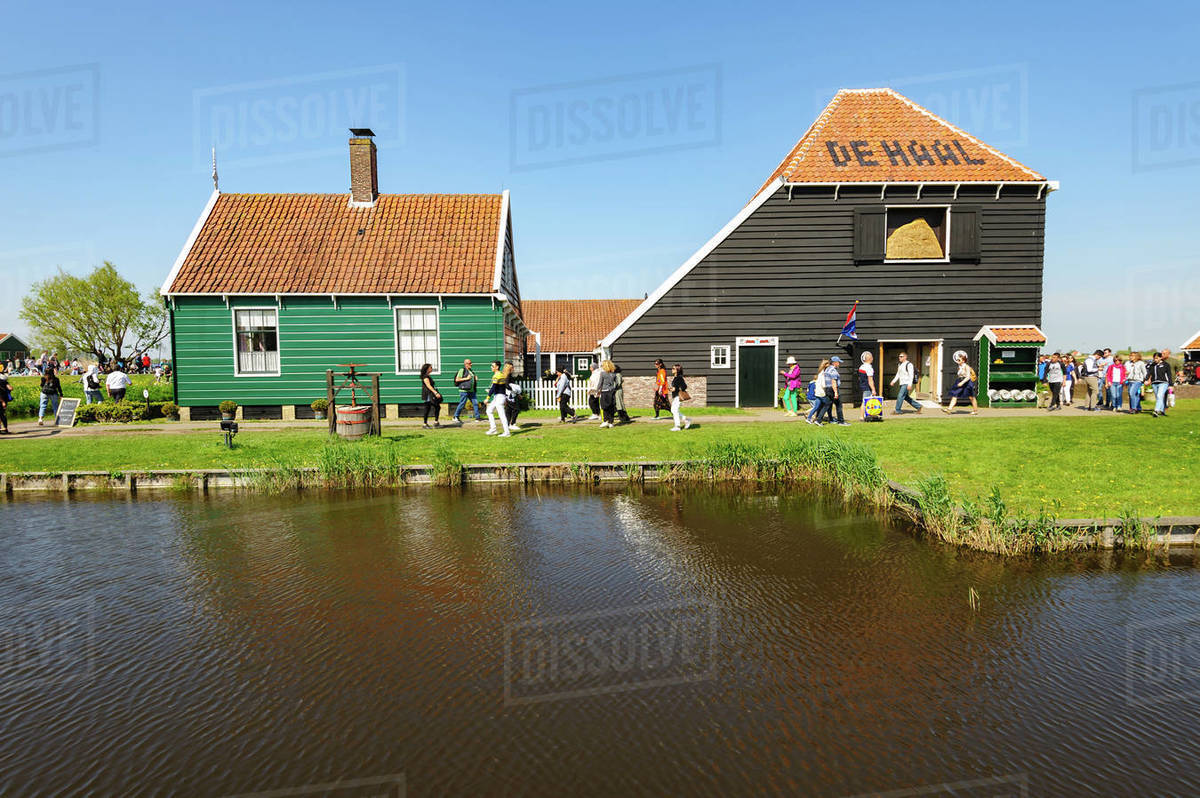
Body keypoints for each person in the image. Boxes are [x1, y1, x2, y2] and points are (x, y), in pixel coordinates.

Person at [943, 351, 978, 415]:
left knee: (971, 397)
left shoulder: (966, 367)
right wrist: (960, 381)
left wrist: (962, 382)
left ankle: (975, 411)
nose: (957, 361)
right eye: (957, 360)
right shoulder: (959, 366)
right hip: (960, 381)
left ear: (963, 360)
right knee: (955, 395)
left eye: (959, 360)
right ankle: (949, 409)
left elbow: (968, 377)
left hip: (967, 382)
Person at [485, 360, 512, 436]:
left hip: (499, 397)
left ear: (497, 367)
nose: (491, 367)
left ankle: (507, 432)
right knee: (489, 411)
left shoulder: (497, 375)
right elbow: (500, 387)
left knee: (502, 415)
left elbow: (493, 387)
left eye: (492, 366)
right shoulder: (501, 374)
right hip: (498, 396)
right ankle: (493, 429)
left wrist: (487, 398)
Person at [820, 356, 849, 426]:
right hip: (833, 389)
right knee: (839, 405)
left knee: (827, 405)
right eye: (838, 362)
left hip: (828, 389)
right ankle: (841, 421)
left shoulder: (827, 369)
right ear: (834, 363)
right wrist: (836, 392)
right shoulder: (833, 370)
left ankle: (819, 420)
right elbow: (833, 381)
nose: (839, 364)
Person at [452, 358, 482, 423]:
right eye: (470, 363)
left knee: (475, 403)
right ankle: (455, 416)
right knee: (462, 403)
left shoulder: (471, 371)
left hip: (471, 390)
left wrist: (475, 378)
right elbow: (457, 379)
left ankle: (477, 417)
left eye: (471, 363)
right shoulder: (462, 370)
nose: (471, 364)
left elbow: (471, 379)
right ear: (465, 364)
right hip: (464, 391)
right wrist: (466, 378)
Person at [1148, 351, 1172, 418]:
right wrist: (1146, 380)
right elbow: (1149, 373)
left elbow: (1169, 375)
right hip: (1154, 383)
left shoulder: (1166, 365)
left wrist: (1171, 385)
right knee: (1158, 397)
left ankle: (1156, 411)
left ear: (1161, 358)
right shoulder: (1152, 365)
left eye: (1157, 358)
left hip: (1163, 383)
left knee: (1159, 396)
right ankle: (1162, 410)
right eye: (1154, 358)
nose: (1155, 359)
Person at [807, 358, 830, 425]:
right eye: (828, 364)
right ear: (825, 365)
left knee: (816, 407)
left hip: (817, 392)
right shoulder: (823, 374)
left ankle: (808, 418)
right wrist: (828, 386)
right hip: (821, 393)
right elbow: (823, 384)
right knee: (827, 404)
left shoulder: (820, 372)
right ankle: (818, 420)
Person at [669, 363, 691, 431]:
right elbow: (676, 387)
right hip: (675, 396)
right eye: (672, 368)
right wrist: (672, 389)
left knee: (674, 410)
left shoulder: (679, 378)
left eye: (673, 368)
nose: (672, 369)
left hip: (678, 396)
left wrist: (676, 389)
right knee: (673, 410)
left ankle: (677, 426)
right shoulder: (675, 378)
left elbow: (684, 386)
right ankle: (686, 420)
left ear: (677, 370)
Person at [419, 363, 442, 428]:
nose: (432, 368)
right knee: (429, 408)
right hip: (428, 394)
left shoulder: (427, 376)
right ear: (427, 369)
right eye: (431, 367)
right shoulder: (425, 377)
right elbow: (428, 386)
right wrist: (435, 393)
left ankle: (434, 422)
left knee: (435, 407)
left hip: (430, 394)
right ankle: (427, 424)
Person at [597, 360, 617, 428]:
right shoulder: (614, 374)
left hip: (604, 392)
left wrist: (597, 390)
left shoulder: (602, 373)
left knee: (604, 407)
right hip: (612, 391)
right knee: (611, 407)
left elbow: (600, 383)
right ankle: (611, 422)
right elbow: (617, 383)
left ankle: (605, 421)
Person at [857, 352, 877, 420]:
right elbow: (870, 380)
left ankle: (868, 415)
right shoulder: (869, 368)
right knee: (865, 401)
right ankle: (862, 416)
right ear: (870, 358)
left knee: (866, 401)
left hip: (862, 385)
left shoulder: (861, 367)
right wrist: (873, 389)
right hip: (867, 387)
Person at [0, 369, 11, 434]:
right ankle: (5, 428)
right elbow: (10, 388)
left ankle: (3, 428)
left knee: (1, 414)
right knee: (2, 414)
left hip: (2, 400)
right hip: (4, 399)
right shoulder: (5, 381)